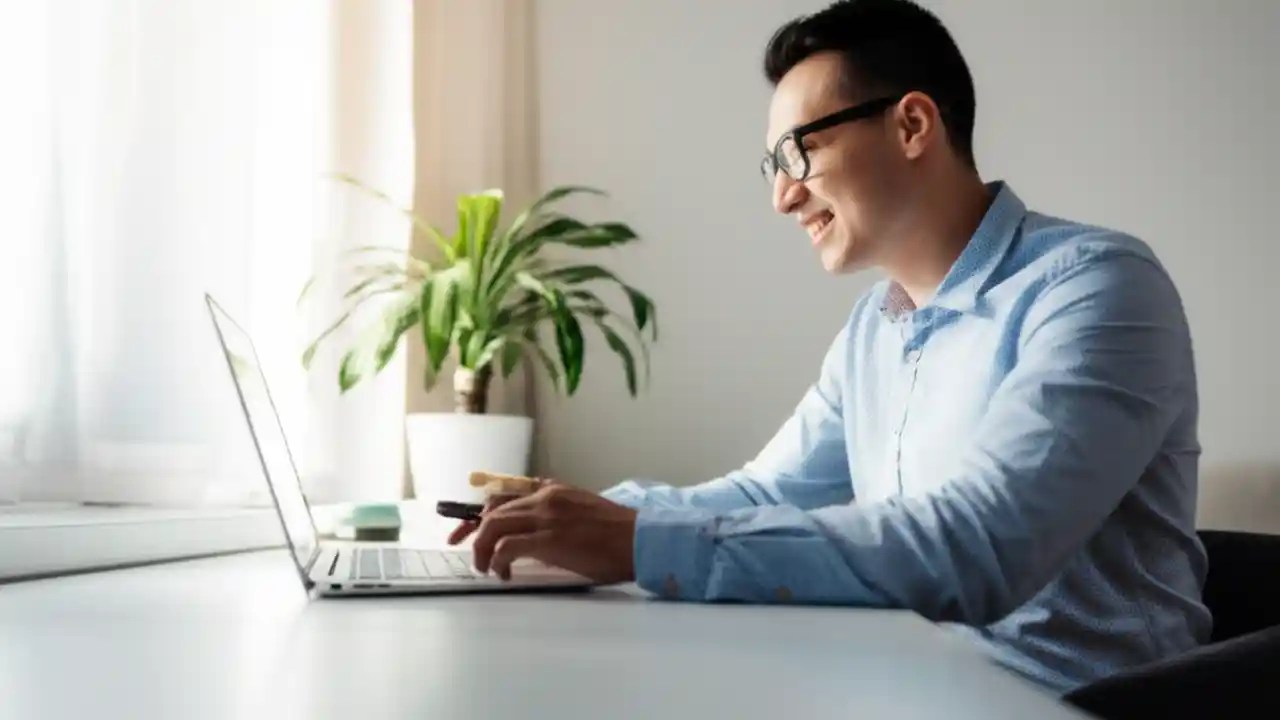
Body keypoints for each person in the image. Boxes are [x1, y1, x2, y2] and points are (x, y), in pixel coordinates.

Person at [449, 0, 1210, 695]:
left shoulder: (1097, 288)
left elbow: (978, 548)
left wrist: (639, 540)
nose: (783, 196)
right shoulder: (873, 330)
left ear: (912, 125)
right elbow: (760, 493)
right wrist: (568, 519)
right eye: (773, 167)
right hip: (907, 684)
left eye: (798, 155)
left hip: (1070, 701)